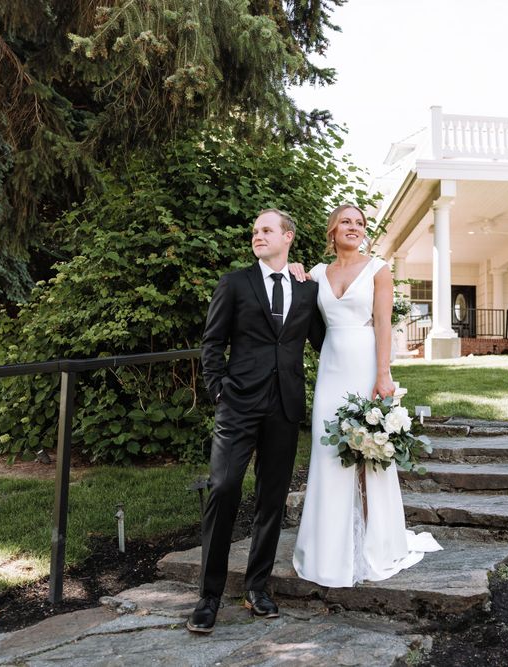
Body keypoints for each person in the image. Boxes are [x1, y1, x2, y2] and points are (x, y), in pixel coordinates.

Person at [188, 209, 325, 634]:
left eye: (266, 230)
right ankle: (208, 597)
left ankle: (257, 587)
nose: (257, 236)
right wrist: (218, 391)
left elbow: (326, 341)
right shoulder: (234, 282)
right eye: (254, 231)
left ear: (288, 236)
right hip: (239, 404)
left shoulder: (306, 290)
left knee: (272, 499)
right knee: (224, 489)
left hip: (285, 406)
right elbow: (212, 342)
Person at [291, 203, 440, 588]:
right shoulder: (318, 273)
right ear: (332, 231)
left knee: (370, 455)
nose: (353, 228)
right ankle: (328, 550)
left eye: (359, 223)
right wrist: (293, 272)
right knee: (329, 455)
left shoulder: (378, 270)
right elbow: (299, 301)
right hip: (330, 369)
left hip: (364, 365)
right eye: (346, 222)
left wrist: (383, 374)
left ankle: (377, 543)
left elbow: (383, 325)